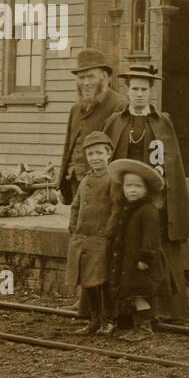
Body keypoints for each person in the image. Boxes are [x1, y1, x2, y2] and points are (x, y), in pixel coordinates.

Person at [103, 63, 189, 321]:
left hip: (154, 202)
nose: (139, 94)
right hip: (124, 199)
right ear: (128, 90)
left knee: (153, 251)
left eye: (144, 89)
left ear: (151, 91)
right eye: (135, 89)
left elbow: (172, 166)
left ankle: (161, 312)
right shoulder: (115, 121)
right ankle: (120, 311)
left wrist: (162, 201)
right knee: (122, 251)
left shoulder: (163, 122)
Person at [106, 159, 170, 341]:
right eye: (128, 186)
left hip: (141, 263)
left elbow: (151, 238)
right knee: (133, 294)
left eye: (137, 186)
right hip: (129, 261)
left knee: (139, 295)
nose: (132, 190)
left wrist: (145, 258)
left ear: (146, 189)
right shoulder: (127, 209)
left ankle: (144, 327)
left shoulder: (148, 211)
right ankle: (138, 323)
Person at [57, 49, 126, 205]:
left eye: (91, 76)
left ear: (104, 77)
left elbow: (118, 152)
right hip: (75, 180)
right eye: (81, 78)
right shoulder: (75, 109)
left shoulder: (118, 105)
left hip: (102, 185)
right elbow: (69, 146)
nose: (86, 83)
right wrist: (61, 183)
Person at [66, 131, 116, 335]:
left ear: (109, 154)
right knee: (88, 282)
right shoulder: (86, 180)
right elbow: (76, 205)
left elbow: (116, 209)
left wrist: (109, 233)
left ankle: (108, 320)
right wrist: (73, 227)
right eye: (90, 155)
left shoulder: (113, 179)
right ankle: (94, 319)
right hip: (83, 240)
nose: (95, 158)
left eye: (99, 153)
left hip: (102, 240)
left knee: (103, 282)